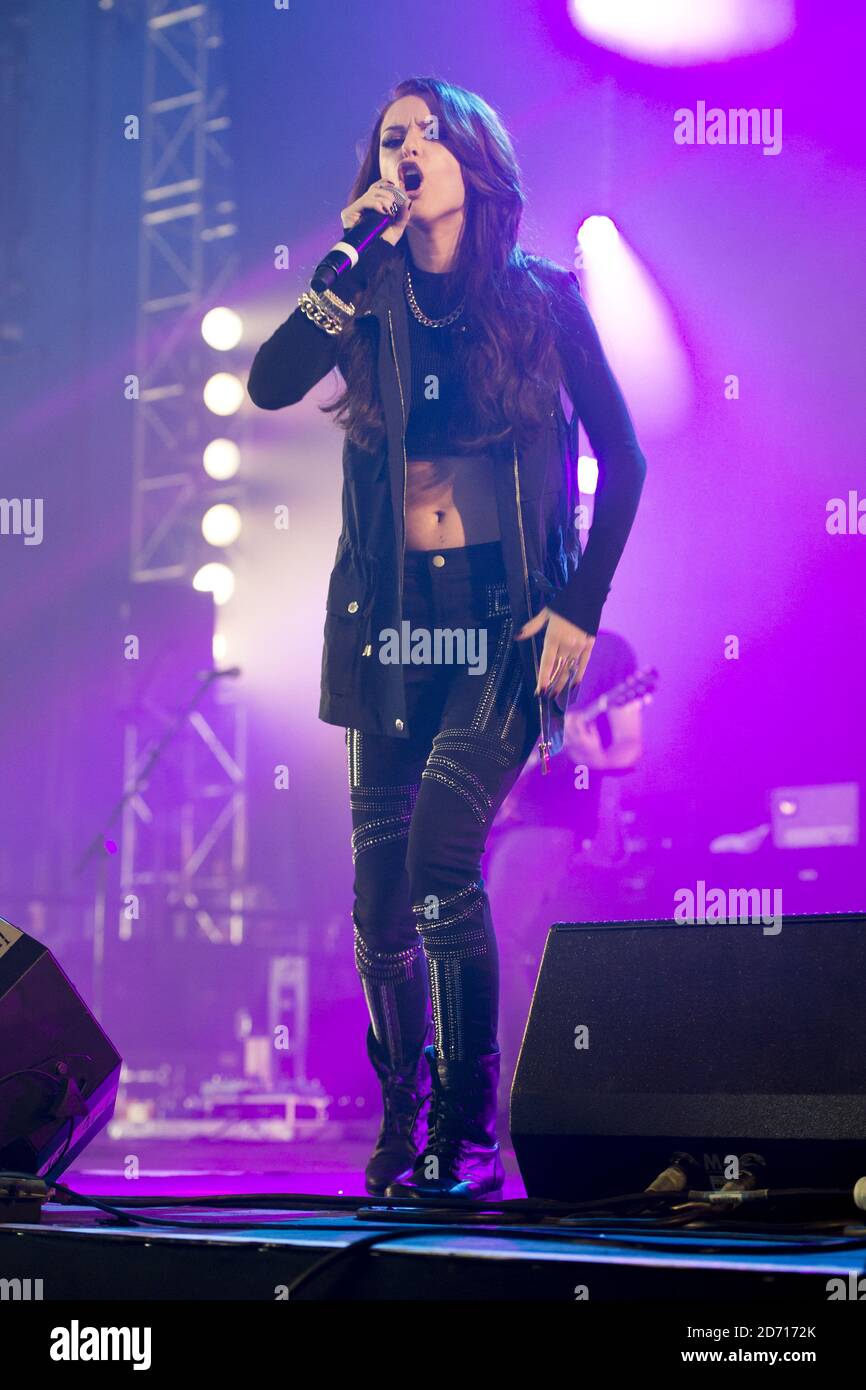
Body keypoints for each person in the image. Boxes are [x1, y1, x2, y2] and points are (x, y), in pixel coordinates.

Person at [247, 77, 647, 1202]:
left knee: (437, 862)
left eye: (428, 131)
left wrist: (578, 602)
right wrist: (341, 265)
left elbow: (623, 459)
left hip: (499, 635)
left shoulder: (541, 298)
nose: (408, 146)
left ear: (473, 158)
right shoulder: (368, 296)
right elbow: (268, 380)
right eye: (390, 136)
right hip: (385, 636)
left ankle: (468, 1136)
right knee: (378, 905)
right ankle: (404, 1119)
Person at [484, 630, 644, 1082]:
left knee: (501, 941)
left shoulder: (608, 650)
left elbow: (629, 747)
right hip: (493, 823)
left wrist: (592, 756)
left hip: (551, 822)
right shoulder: (508, 640)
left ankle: (516, 1087)